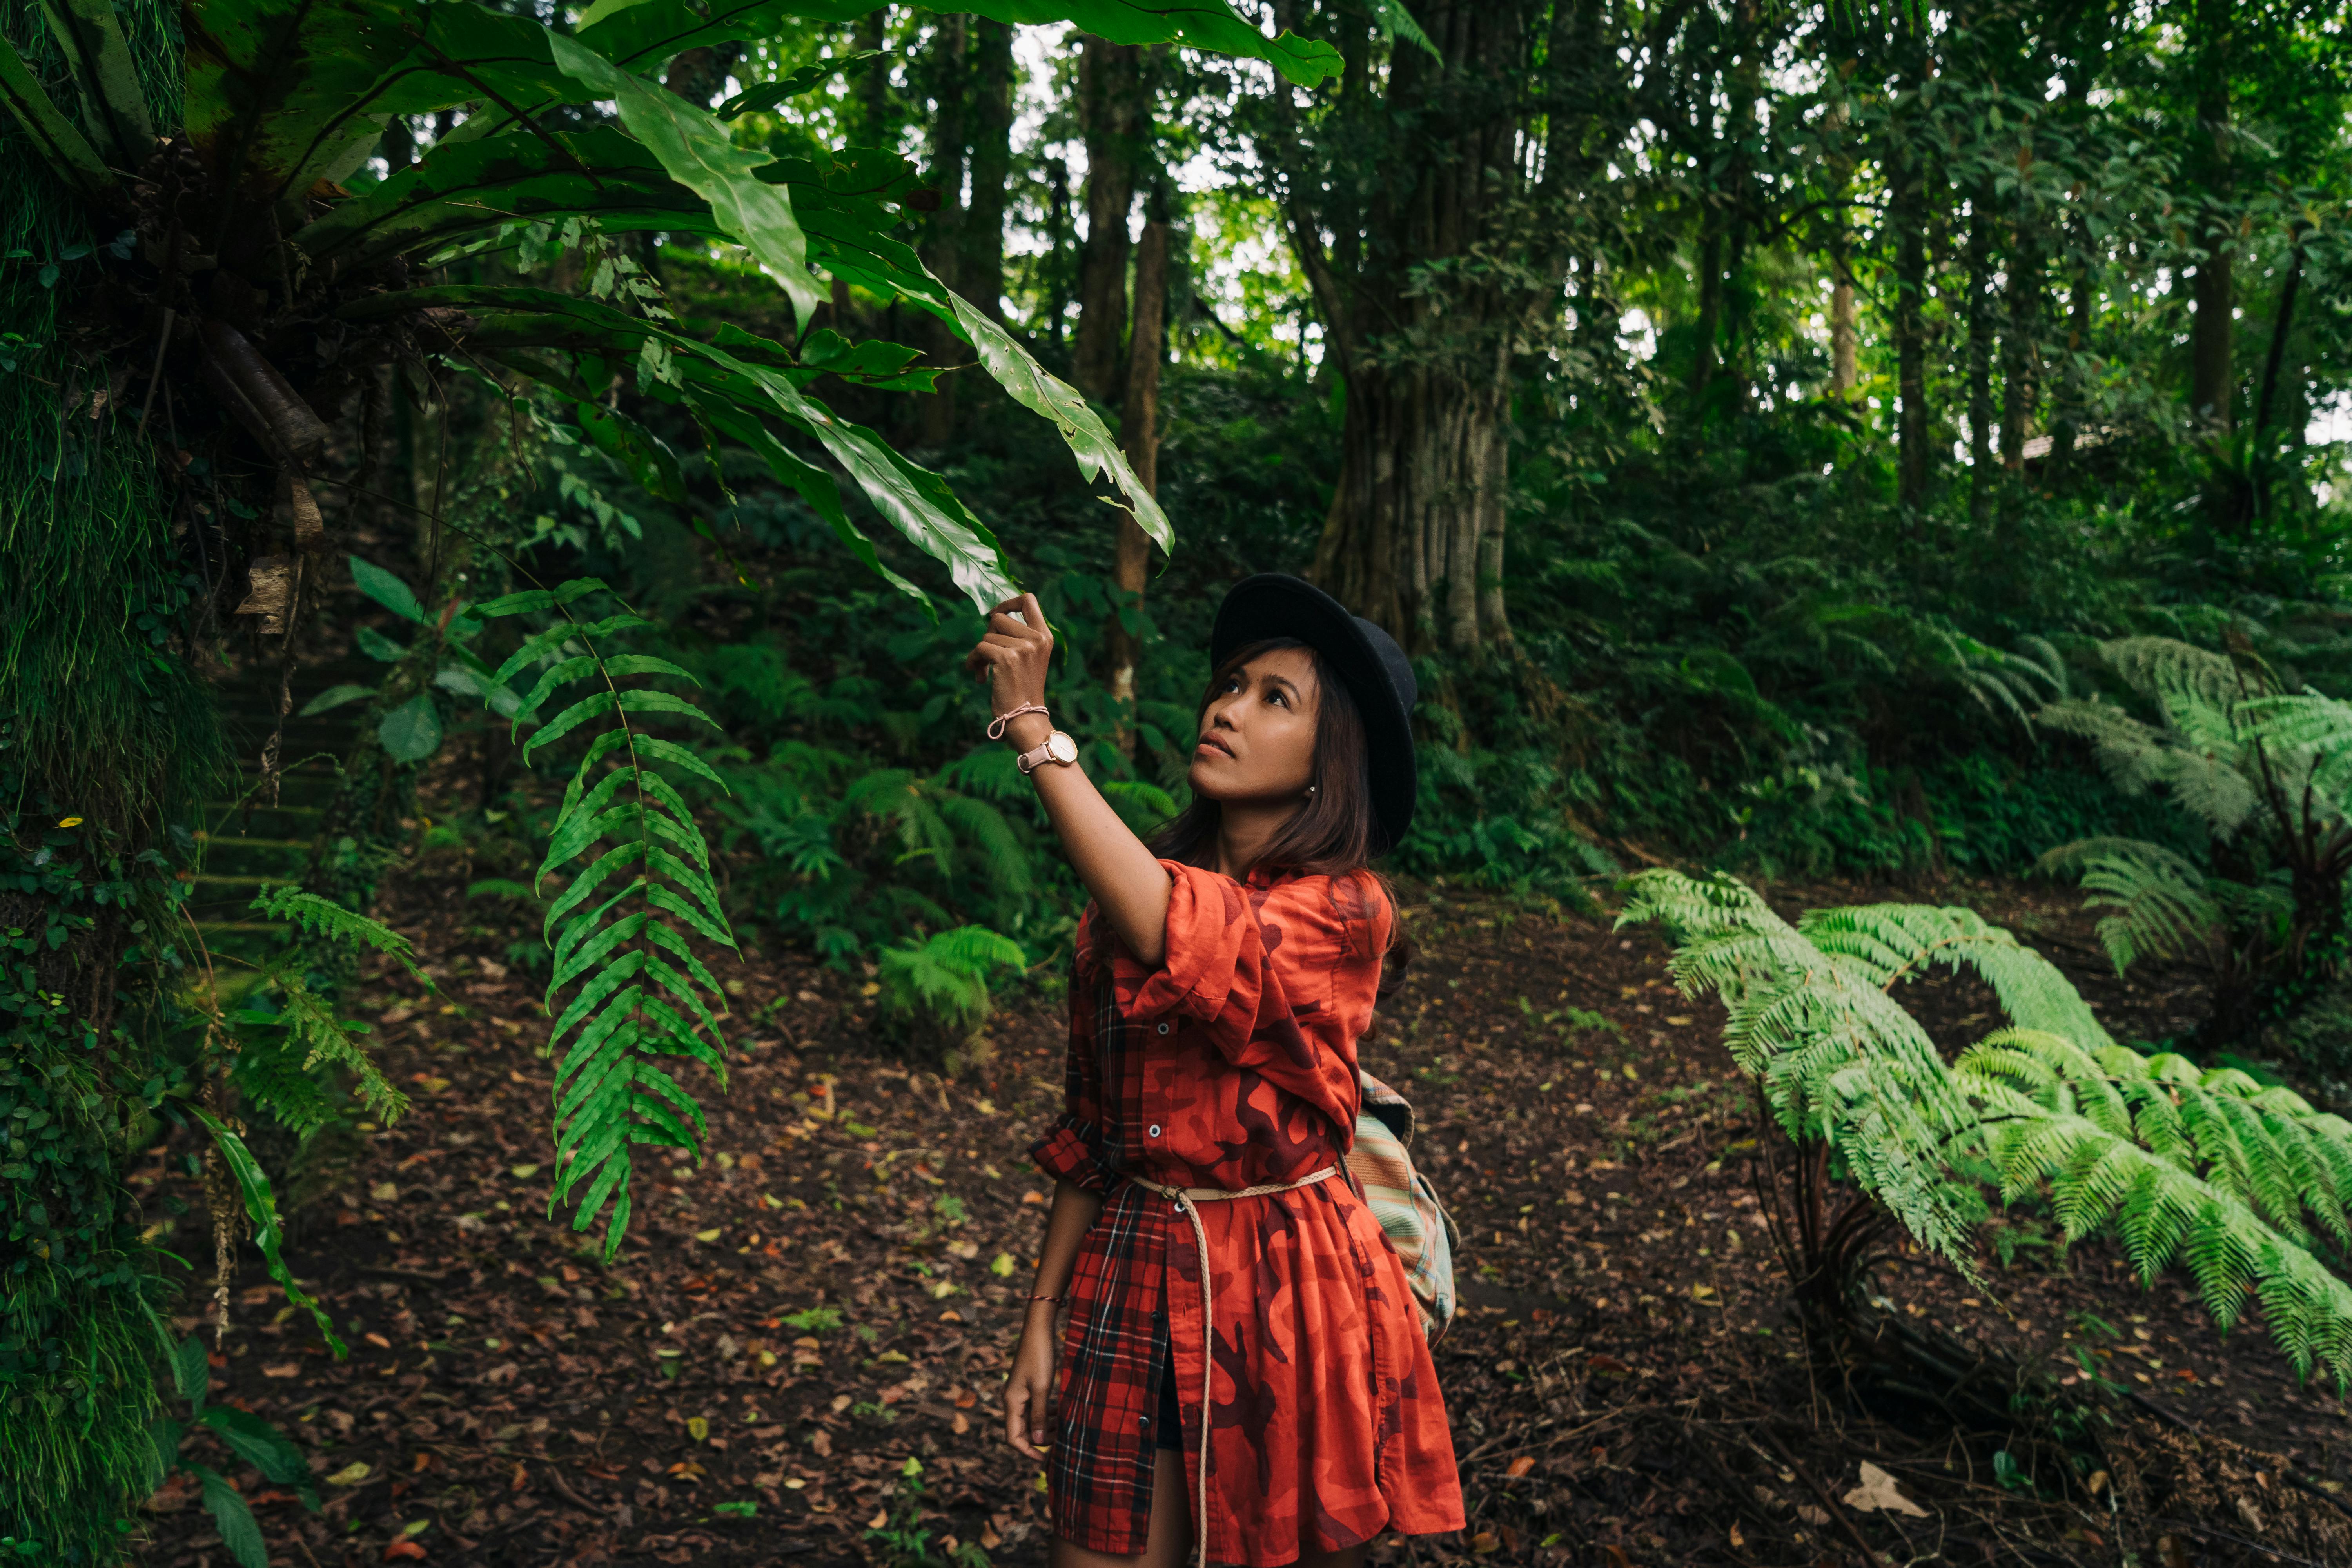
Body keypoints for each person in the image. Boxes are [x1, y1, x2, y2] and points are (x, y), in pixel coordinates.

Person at [972, 575, 1465, 1568]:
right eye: (1230, 684)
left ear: (1334, 760)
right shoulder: (1132, 899)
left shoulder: (1345, 911)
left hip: (1289, 1294)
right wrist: (1041, 1312)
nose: (1227, 708)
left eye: (1274, 698)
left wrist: (1034, 729)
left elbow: (1190, 935)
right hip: (1130, 1272)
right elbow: (1095, 1134)